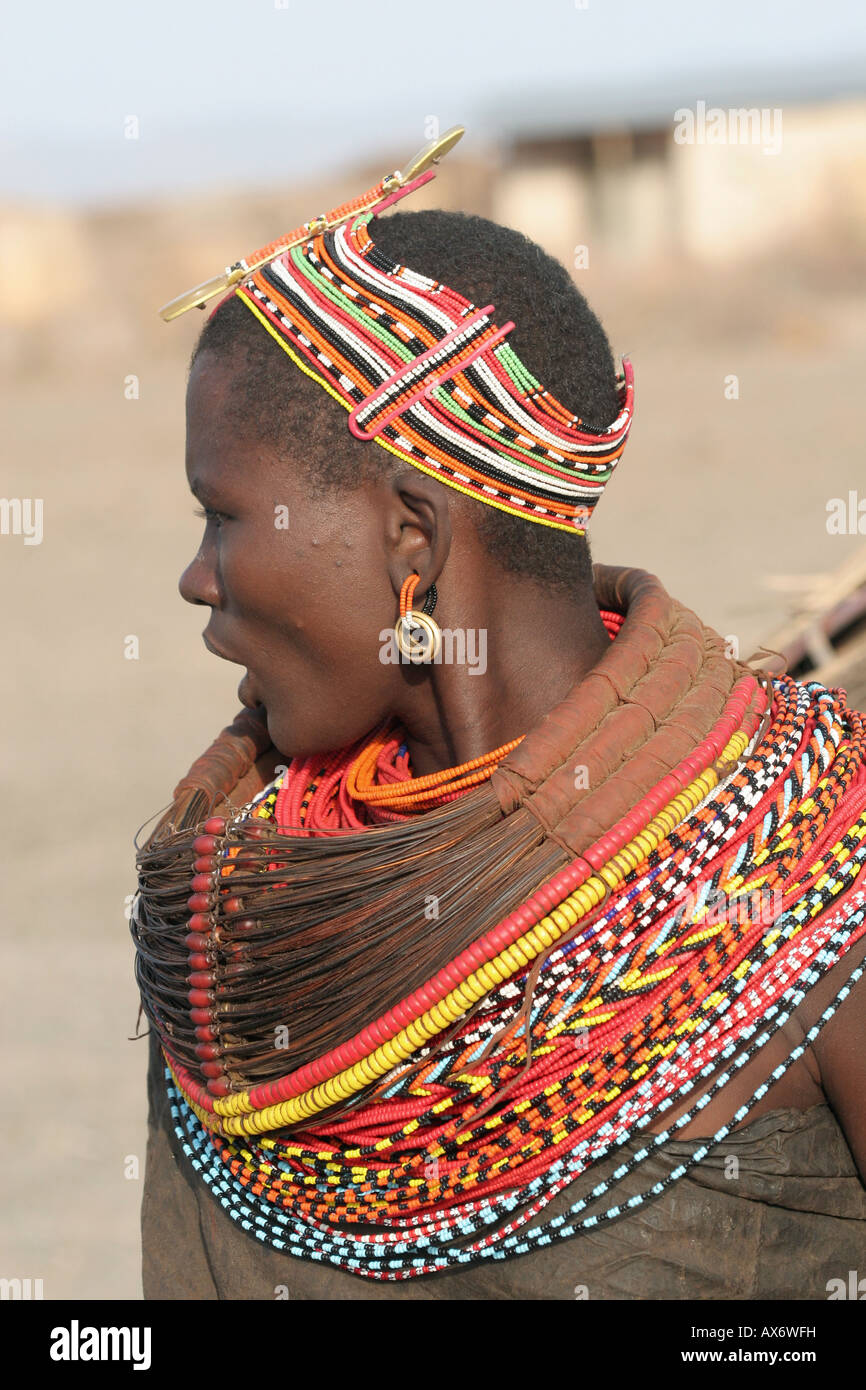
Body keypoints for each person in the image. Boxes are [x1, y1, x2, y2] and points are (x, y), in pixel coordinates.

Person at [133, 135, 866, 1300]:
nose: (196, 578)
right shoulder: (241, 917)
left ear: (411, 540)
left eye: (221, 515)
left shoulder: (811, 864)